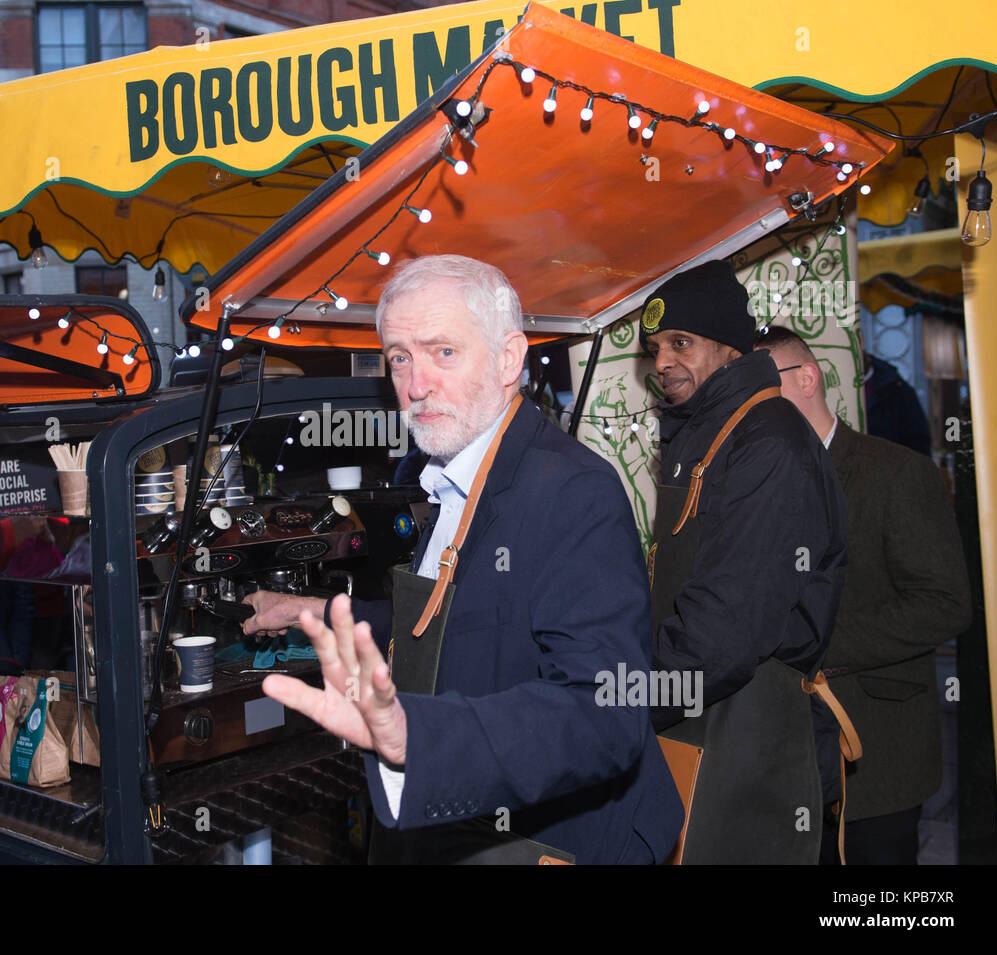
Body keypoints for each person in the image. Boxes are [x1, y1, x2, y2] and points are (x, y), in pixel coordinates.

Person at [244, 254, 683, 864]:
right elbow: (454, 626)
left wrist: (416, 737)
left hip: (556, 844)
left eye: (442, 353)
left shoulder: (573, 490)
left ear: (509, 359)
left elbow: (605, 711)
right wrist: (313, 609)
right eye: (400, 357)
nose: (415, 384)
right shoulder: (453, 473)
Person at [641, 259, 847, 864]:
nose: (661, 364)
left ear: (731, 348)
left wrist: (622, 699)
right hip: (696, 717)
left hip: (749, 737)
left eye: (680, 343)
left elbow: (726, 630)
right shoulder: (711, 432)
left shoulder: (768, 441)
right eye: (655, 348)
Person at [758, 326, 971, 864]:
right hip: (782, 753)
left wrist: (817, 645)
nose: (747, 405)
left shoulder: (896, 473)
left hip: (876, 750)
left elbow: (946, 602)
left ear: (806, 379)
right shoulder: (753, 487)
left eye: (759, 387)